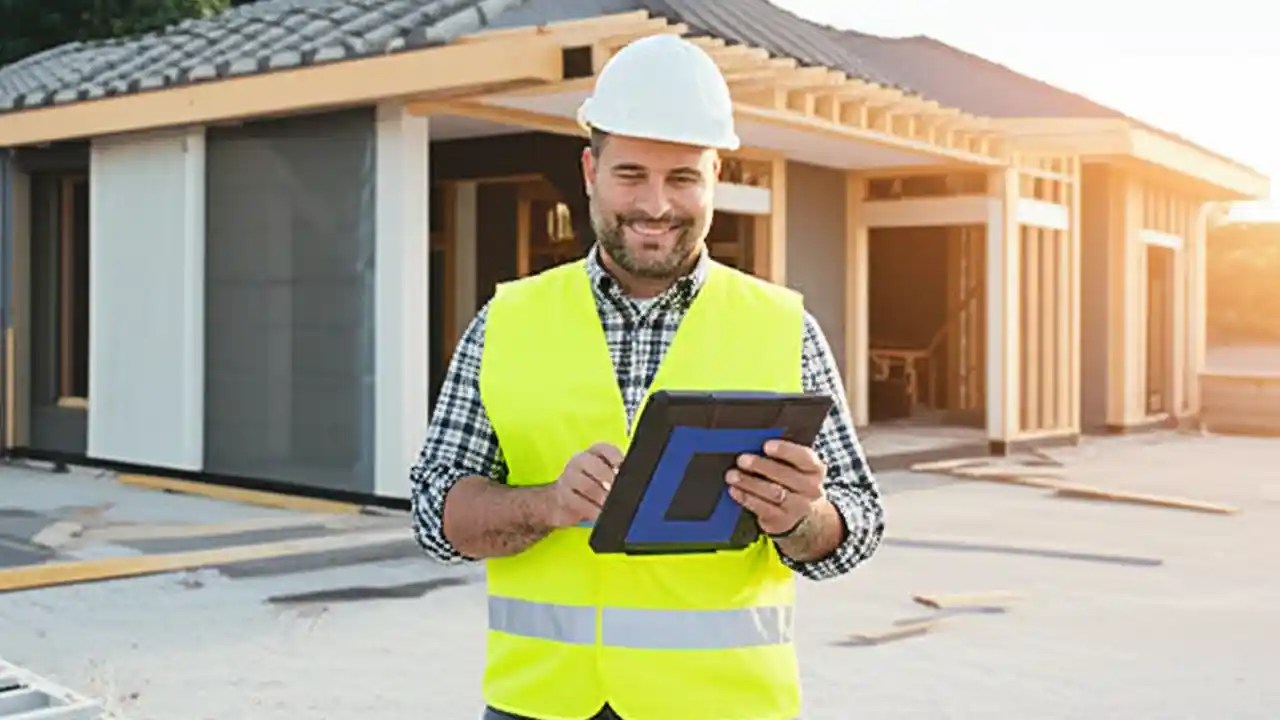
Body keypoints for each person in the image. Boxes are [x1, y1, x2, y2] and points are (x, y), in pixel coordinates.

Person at [410, 33, 885, 720]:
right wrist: (547, 504)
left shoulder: (784, 327)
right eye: (631, 173)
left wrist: (800, 519)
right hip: (541, 705)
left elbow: (858, 523)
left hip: (725, 708)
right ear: (589, 171)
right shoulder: (506, 321)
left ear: (715, 177)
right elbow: (432, 514)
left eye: (682, 177)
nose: (656, 205)